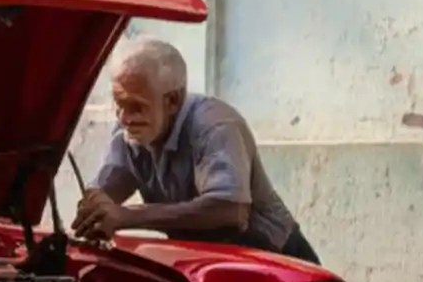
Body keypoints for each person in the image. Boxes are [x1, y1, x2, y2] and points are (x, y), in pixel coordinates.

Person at [73, 37, 320, 264]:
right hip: (208, 261)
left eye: (137, 107)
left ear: (173, 101)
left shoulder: (214, 126)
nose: (124, 118)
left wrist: (127, 216)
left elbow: (229, 210)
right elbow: (109, 189)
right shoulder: (130, 130)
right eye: (119, 105)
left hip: (275, 258)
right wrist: (95, 209)